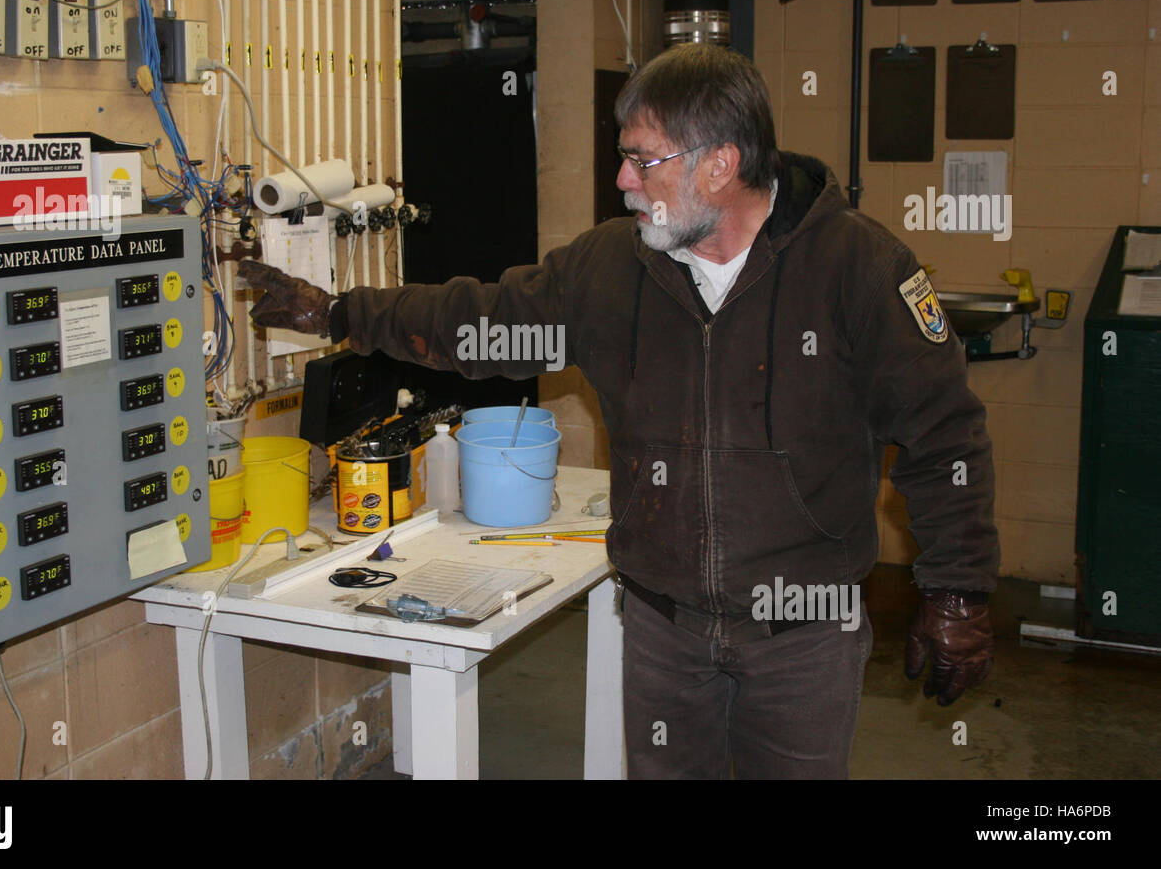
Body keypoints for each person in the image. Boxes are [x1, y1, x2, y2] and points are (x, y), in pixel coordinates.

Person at [238, 43, 998, 779]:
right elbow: (482, 321)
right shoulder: (612, 268)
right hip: (666, 628)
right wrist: (341, 313)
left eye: (644, 158)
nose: (623, 179)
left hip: (802, 634)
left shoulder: (856, 267)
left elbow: (945, 434)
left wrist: (958, 589)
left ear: (721, 164)